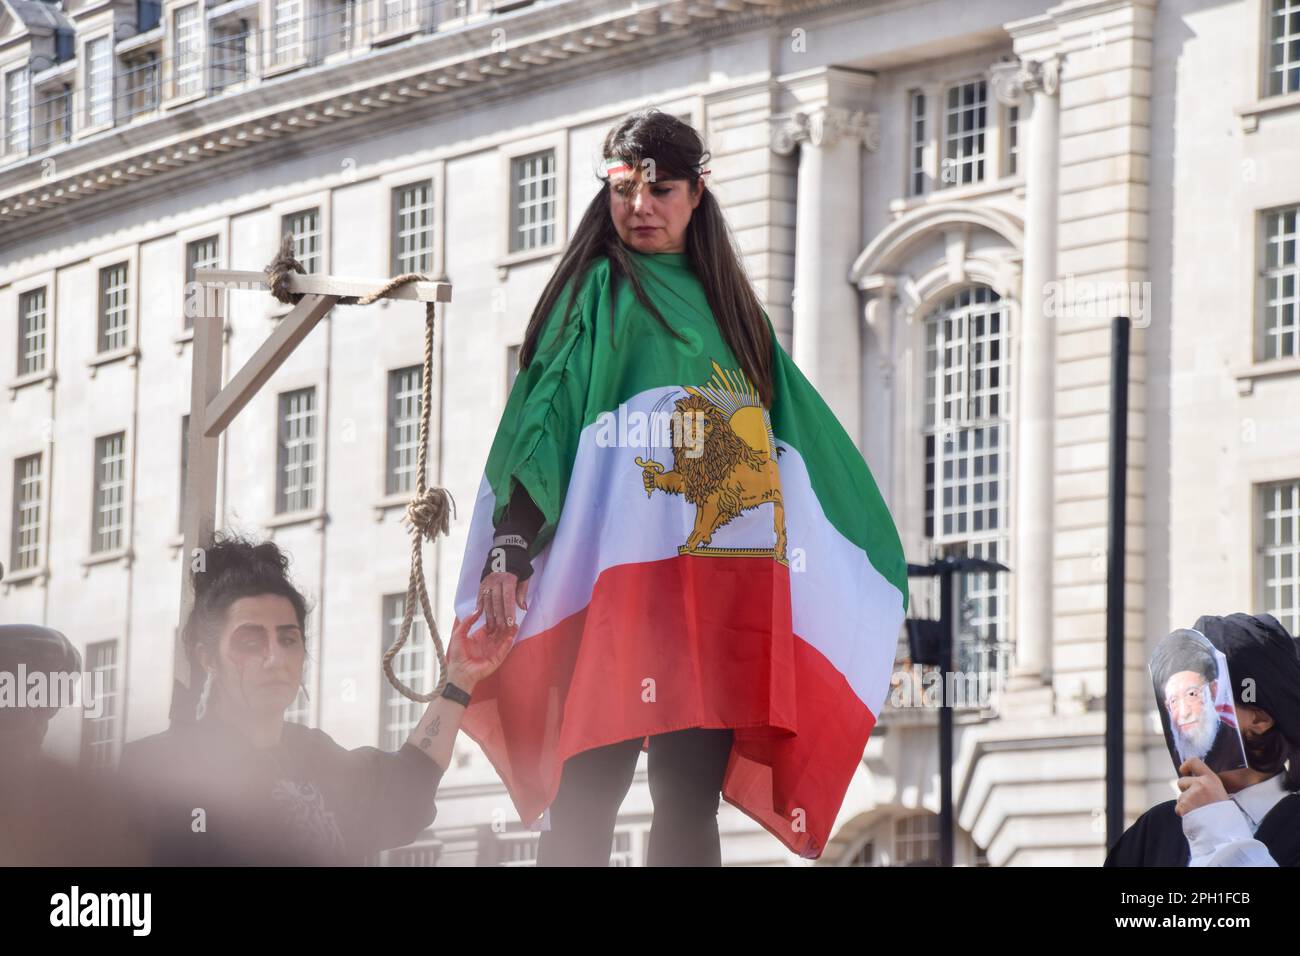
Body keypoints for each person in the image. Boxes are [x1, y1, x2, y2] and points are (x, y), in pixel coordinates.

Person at [458, 108, 907, 865]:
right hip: (613, 580)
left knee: (687, 799)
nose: (640, 207)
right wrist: (511, 541)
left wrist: (862, 559)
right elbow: (549, 414)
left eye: (661, 190)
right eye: (625, 189)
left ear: (697, 195)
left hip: (713, 583)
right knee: (588, 788)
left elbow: (795, 445)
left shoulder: (735, 313)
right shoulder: (595, 292)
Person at [117, 532, 511, 865]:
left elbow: (410, 784)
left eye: (288, 638)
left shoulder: (320, 759)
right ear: (207, 657)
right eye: (250, 641)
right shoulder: (154, 772)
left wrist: (459, 679)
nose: (274, 658)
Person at [1105, 613, 1300, 867]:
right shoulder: (1155, 829)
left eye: (1196, 694)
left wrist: (1217, 823)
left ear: (1260, 718)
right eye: (1173, 700)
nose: (1182, 714)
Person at [1151, 629, 1245, 771]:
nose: (1184, 713)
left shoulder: (1237, 747)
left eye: (1192, 694)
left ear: (1213, 690)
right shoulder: (1175, 758)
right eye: (1174, 701)